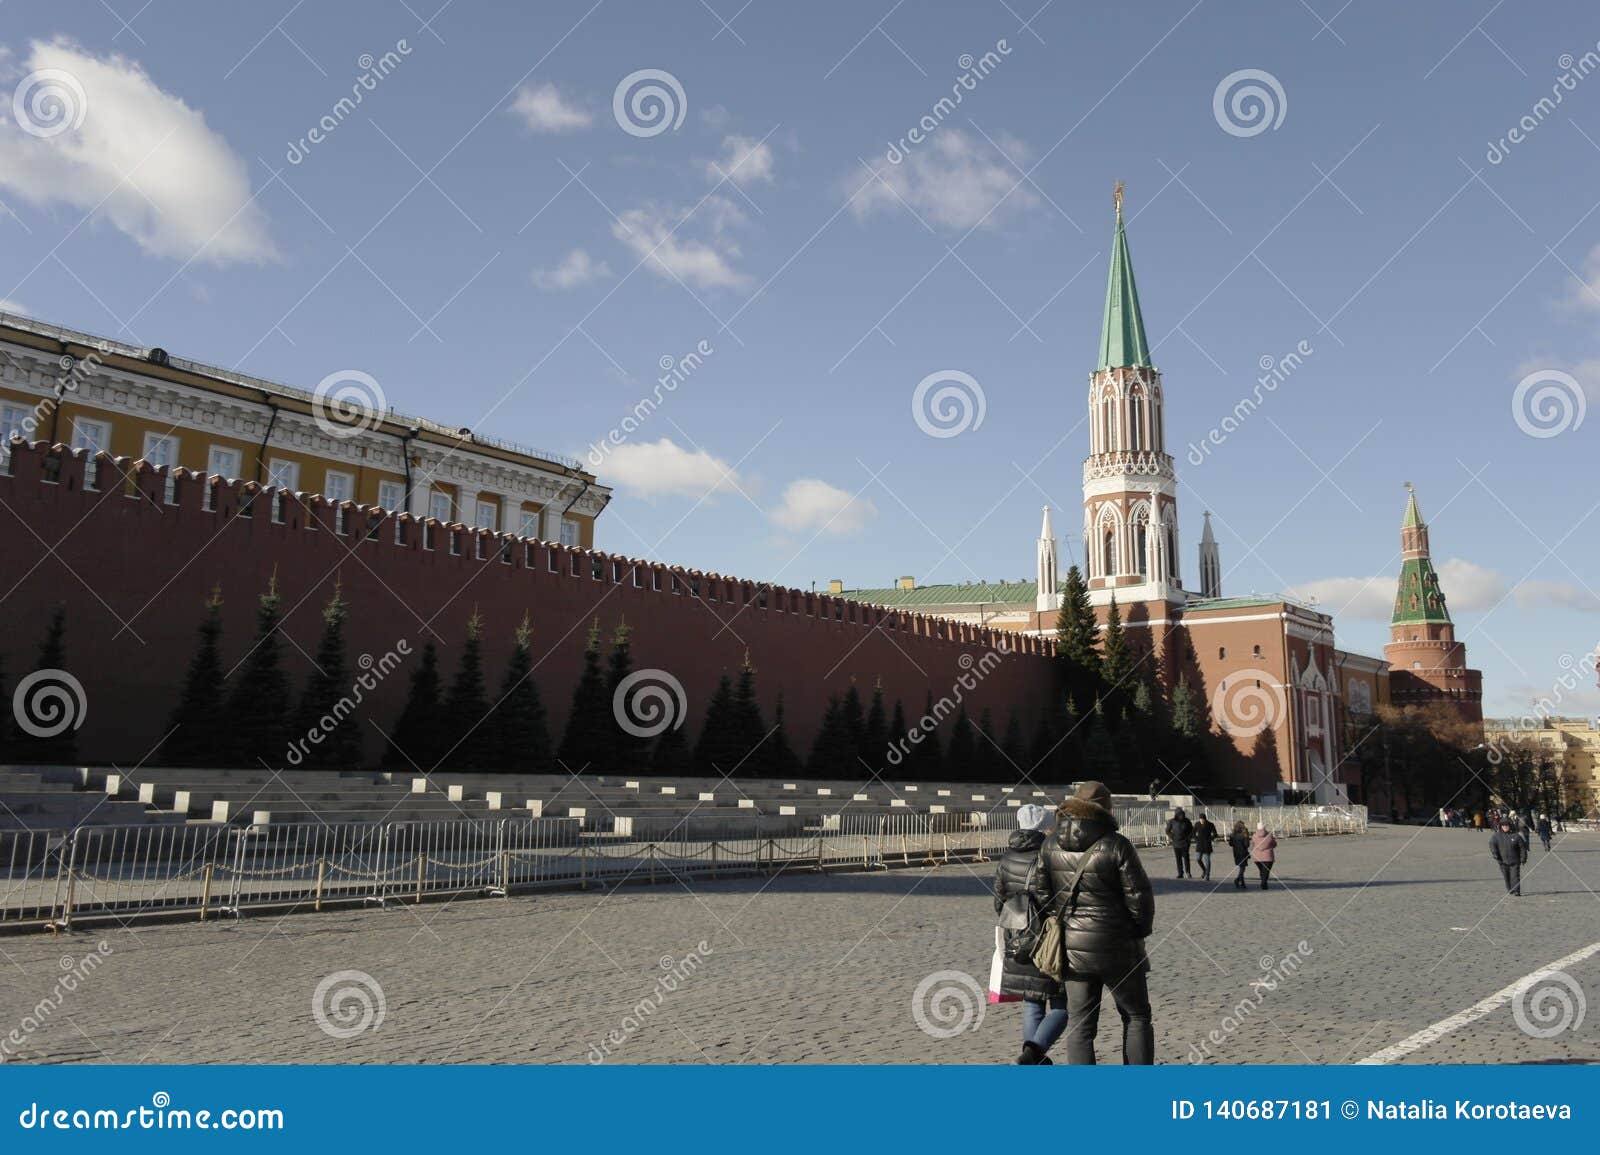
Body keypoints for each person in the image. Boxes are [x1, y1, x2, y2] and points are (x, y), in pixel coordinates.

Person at [1033, 781, 1155, 1065]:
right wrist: (1137, 930)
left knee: (1080, 1024)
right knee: (1136, 1015)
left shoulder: (1049, 844)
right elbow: (1139, 896)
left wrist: (1065, 922)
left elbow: (1041, 893)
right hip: (1118, 944)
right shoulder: (1116, 844)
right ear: (1105, 809)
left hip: (1072, 946)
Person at [993, 804, 1065, 1064]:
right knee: (1063, 1004)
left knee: (1032, 1001)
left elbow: (999, 901)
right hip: (1045, 938)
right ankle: (1033, 1053)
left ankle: (1033, 1061)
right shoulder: (1049, 856)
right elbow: (1053, 900)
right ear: (1043, 828)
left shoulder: (1006, 857)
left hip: (1017, 935)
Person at [1489, 817, 1527, 896]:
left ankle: (1516, 890)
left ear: (1510, 826)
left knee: (1515, 876)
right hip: (1502, 861)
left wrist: (1523, 857)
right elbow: (1492, 845)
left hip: (1515, 861)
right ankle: (1510, 888)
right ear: (1501, 826)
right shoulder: (1496, 836)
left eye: (1506, 825)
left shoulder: (1516, 836)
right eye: (1503, 825)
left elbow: (1522, 848)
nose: (1505, 827)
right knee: (1507, 876)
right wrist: (1495, 854)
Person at [1165, 806, 1194, 879]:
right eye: (1179, 814)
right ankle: (1180, 873)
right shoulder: (1172, 821)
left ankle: (1188, 872)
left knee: (1186, 858)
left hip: (1185, 843)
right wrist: (1172, 837)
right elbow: (1167, 831)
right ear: (1176, 814)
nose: (1181, 815)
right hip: (1176, 843)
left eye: (1182, 814)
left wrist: (1188, 839)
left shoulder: (1187, 821)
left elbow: (1192, 831)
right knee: (1178, 859)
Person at [1250, 822, 1277, 890]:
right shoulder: (1269, 835)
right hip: (1268, 856)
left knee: (1262, 870)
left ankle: (1263, 881)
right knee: (1266, 871)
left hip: (1257, 856)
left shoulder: (1254, 836)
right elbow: (1274, 844)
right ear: (1264, 827)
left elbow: (1252, 845)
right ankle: (1264, 882)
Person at [1192, 811, 1218, 881]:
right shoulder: (1197, 824)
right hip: (1199, 844)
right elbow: (1193, 832)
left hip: (1207, 845)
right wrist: (1196, 839)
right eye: (1200, 819)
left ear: (1205, 819)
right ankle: (1204, 870)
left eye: (1202, 819)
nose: (1201, 820)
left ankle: (1207, 875)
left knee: (1207, 861)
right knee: (1198, 859)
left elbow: (1215, 834)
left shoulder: (1210, 824)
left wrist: (1210, 839)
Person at [1227, 820, 1251, 889]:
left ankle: (1242, 883)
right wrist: (1246, 837)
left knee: (1241, 867)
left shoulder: (1233, 834)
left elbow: (1230, 844)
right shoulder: (1244, 835)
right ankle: (1237, 880)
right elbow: (1247, 845)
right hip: (1243, 853)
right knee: (1242, 868)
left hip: (1236, 853)